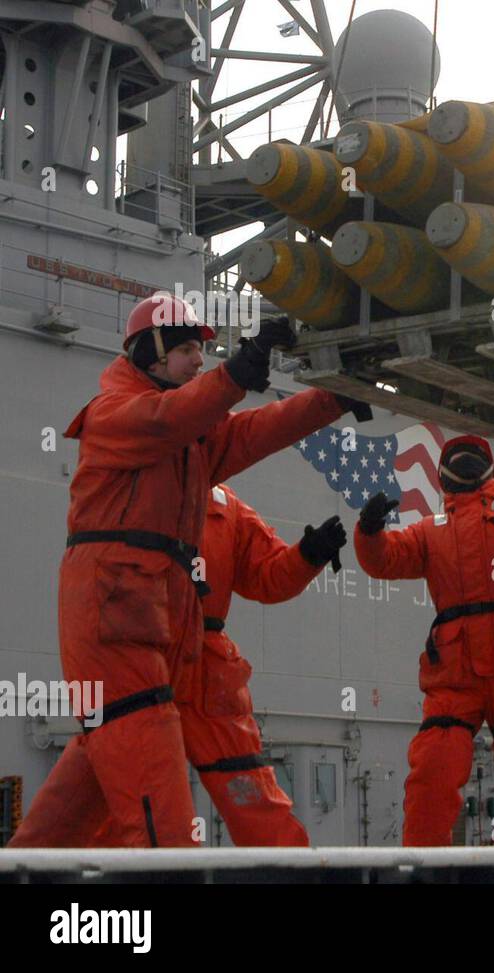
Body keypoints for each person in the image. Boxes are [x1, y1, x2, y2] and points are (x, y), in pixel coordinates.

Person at [9, 295, 363, 848]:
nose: (199, 359)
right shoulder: (114, 416)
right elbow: (168, 420)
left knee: (97, 769)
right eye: (187, 349)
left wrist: (332, 400)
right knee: (159, 806)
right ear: (149, 354)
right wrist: (232, 377)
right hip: (114, 618)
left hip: (153, 619)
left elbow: (251, 433)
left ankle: (29, 867)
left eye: (203, 350)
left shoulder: (186, 439)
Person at [90, 484, 348, 846]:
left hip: (205, 669)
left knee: (250, 791)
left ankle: (288, 871)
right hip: (142, 656)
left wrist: (308, 554)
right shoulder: (133, 482)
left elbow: (267, 575)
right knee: (123, 794)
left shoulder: (227, 510)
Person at [353, 423, 494, 846]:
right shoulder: (434, 531)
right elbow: (385, 560)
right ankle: (425, 866)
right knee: (435, 769)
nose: (464, 459)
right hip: (473, 667)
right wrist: (370, 532)